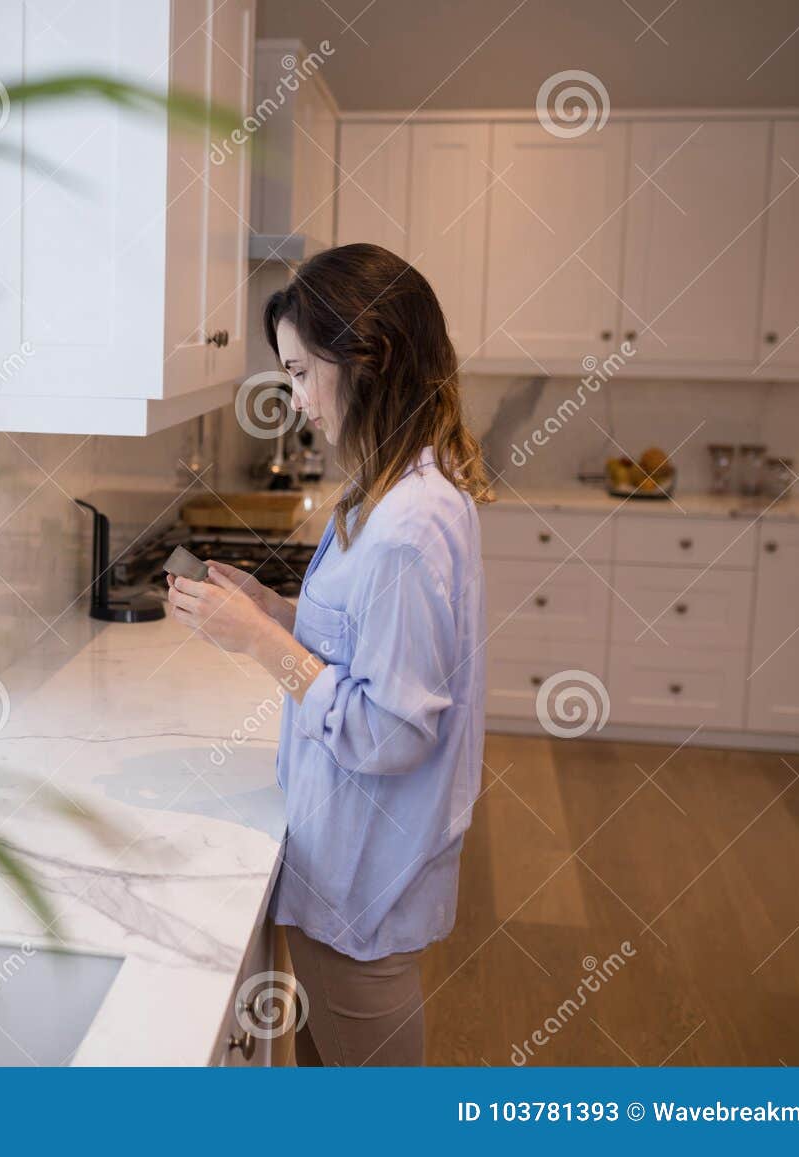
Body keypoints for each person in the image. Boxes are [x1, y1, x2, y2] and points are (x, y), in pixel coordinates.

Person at [165, 243, 491, 1066]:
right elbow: (364, 642)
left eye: (304, 372)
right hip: (341, 869)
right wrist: (273, 608)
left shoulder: (406, 529)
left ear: (367, 359)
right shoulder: (383, 489)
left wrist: (264, 643)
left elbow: (391, 733)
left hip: (361, 887)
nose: (297, 400)